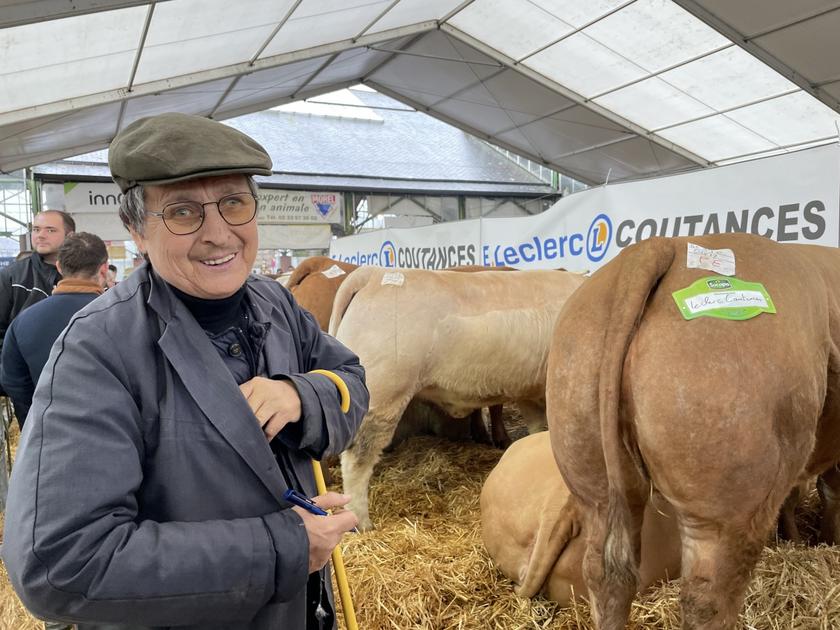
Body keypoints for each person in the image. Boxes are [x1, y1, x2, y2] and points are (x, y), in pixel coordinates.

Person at [3, 112, 369, 630]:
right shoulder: (98, 350)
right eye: (182, 211)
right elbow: (60, 564)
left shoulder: (274, 304)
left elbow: (351, 379)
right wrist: (283, 546)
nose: (220, 235)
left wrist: (302, 395)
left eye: (234, 203)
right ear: (136, 231)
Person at [1, 232, 109, 427]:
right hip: (116, 435)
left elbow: (14, 382)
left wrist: (33, 424)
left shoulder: (23, 321)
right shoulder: (125, 316)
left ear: (59, 267)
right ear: (104, 269)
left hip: (49, 434)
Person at [0, 210, 74, 354]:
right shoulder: (13, 276)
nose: (40, 235)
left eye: (50, 230)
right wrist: (13, 367)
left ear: (70, 236)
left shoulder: (82, 274)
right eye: (36, 229)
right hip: (24, 371)